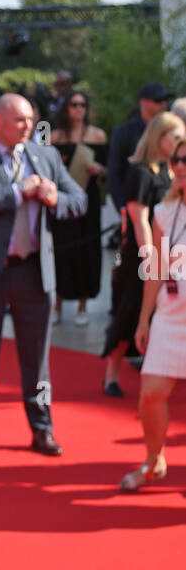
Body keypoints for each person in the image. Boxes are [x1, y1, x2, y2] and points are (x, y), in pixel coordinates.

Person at [0, 93, 87, 458]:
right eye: (21, 120)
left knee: (37, 358)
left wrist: (55, 197)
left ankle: (42, 428)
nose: (29, 126)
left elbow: (79, 200)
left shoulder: (46, 156)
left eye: (30, 119)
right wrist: (18, 192)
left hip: (34, 273)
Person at [101, 112, 185, 395]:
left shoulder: (170, 172)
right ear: (158, 137)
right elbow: (139, 218)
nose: (177, 144)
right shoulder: (140, 171)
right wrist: (150, 258)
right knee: (130, 311)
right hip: (141, 255)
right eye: (174, 137)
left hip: (170, 255)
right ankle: (112, 373)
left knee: (156, 311)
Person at [119, 136, 186, 490]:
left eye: (185, 160)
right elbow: (157, 270)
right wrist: (145, 319)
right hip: (170, 314)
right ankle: (154, 459)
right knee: (151, 393)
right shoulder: (165, 211)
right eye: (175, 159)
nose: (178, 166)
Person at [50, 91, 107, 325]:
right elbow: (41, 164)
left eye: (82, 104)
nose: (78, 109)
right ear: (66, 108)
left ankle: (83, 307)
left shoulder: (98, 135)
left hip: (88, 199)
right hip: (63, 200)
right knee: (61, 249)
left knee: (87, 249)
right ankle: (57, 305)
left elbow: (107, 169)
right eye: (74, 104)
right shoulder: (54, 136)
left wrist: (98, 169)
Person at [106, 82, 173, 213]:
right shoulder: (124, 132)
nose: (163, 104)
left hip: (166, 204)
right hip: (137, 206)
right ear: (143, 102)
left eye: (165, 101)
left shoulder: (171, 131)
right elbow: (114, 172)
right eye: (158, 100)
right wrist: (122, 206)